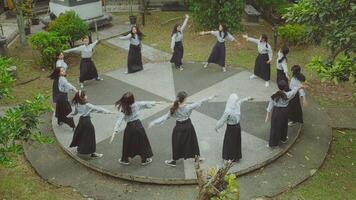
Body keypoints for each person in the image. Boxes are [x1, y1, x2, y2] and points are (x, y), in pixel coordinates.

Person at [149, 91, 215, 167]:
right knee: (192, 142)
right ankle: (197, 158)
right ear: (183, 100)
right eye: (186, 99)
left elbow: (165, 117)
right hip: (188, 126)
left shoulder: (174, 108)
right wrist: (209, 98)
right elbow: (199, 102)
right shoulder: (188, 107)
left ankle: (174, 160)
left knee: (176, 144)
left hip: (179, 128)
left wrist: (154, 122)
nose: (187, 100)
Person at [110, 92, 162, 166]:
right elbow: (146, 103)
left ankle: (125, 160)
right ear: (132, 99)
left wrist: (115, 131)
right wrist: (156, 102)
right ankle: (144, 160)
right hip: (138, 125)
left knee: (127, 143)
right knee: (142, 143)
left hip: (130, 127)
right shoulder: (136, 104)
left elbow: (119, 121)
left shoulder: (123, 108)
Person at [68, 90, 113, 158]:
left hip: (81, 121)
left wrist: (69, 115)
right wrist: (108, 112)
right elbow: (98, 109)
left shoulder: (77, 103)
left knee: (82, 135)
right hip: (87, 122)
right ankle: (93, 153)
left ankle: (80, 149)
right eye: (85, 95)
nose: (87, 96)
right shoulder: (88, 105)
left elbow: (75, 112)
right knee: (90, 137)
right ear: (82, 98)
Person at [265, 80, 306, 147]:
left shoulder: (274, 95)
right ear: (285, 87)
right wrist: (301, 87)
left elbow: (270, 106)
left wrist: (267, 116)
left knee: (275, 127)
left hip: (277, 112)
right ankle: (283, 138)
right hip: (285, 111)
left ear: (278, 86)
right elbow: (294, 90)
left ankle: (273, 144)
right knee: (284, 124)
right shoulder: (288, 95)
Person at [215, 94, 253, 162]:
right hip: (236, 127)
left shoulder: (230, 109)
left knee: (229, 142)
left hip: (232, 127)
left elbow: (222, 121)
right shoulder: (233, 108)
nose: (236, 101)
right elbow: (222, 120)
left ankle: (229, 157)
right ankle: (234, 157)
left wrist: (216, 127)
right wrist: (217, 127)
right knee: (235, 142)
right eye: (236, 100)